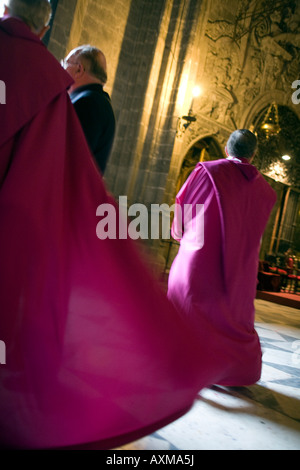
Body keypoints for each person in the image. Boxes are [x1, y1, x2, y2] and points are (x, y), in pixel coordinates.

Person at [0, 0, 217, 450]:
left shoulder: (81, 101)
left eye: (68, 61)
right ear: (43, 26)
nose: (62, 64)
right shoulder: (54, 85)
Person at [168, 129, 277, 387]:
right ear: (253, 154)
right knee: (227, 315)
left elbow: (183, 204)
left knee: (186, 306)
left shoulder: (207, 170)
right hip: (239, 271)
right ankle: (223, 369)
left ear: (227, 149)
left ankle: (184, 362)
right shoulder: (266, 192)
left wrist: (178, 233)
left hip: (198, 260)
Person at [62, 45, 115, 175]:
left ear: (79, 70)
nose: (62, 68)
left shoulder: (88, 103)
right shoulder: (98, 100)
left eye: (65, 63)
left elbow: (68, 156)